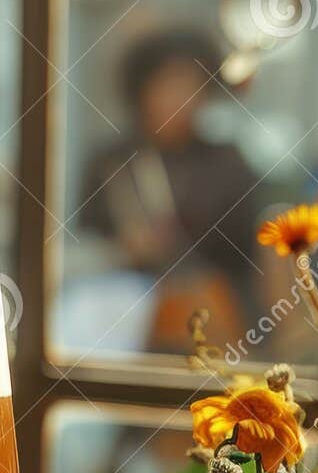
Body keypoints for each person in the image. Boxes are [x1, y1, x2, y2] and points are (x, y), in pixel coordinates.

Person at [78, 29, 260, 347]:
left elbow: (245, 248)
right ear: (142, 90)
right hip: (123, 313)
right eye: (169, 84)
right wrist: (125, 248)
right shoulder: (111, 162)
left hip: (211, 314)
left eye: (192, 87)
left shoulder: (226, 162)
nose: (181, 99)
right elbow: (87, 242)